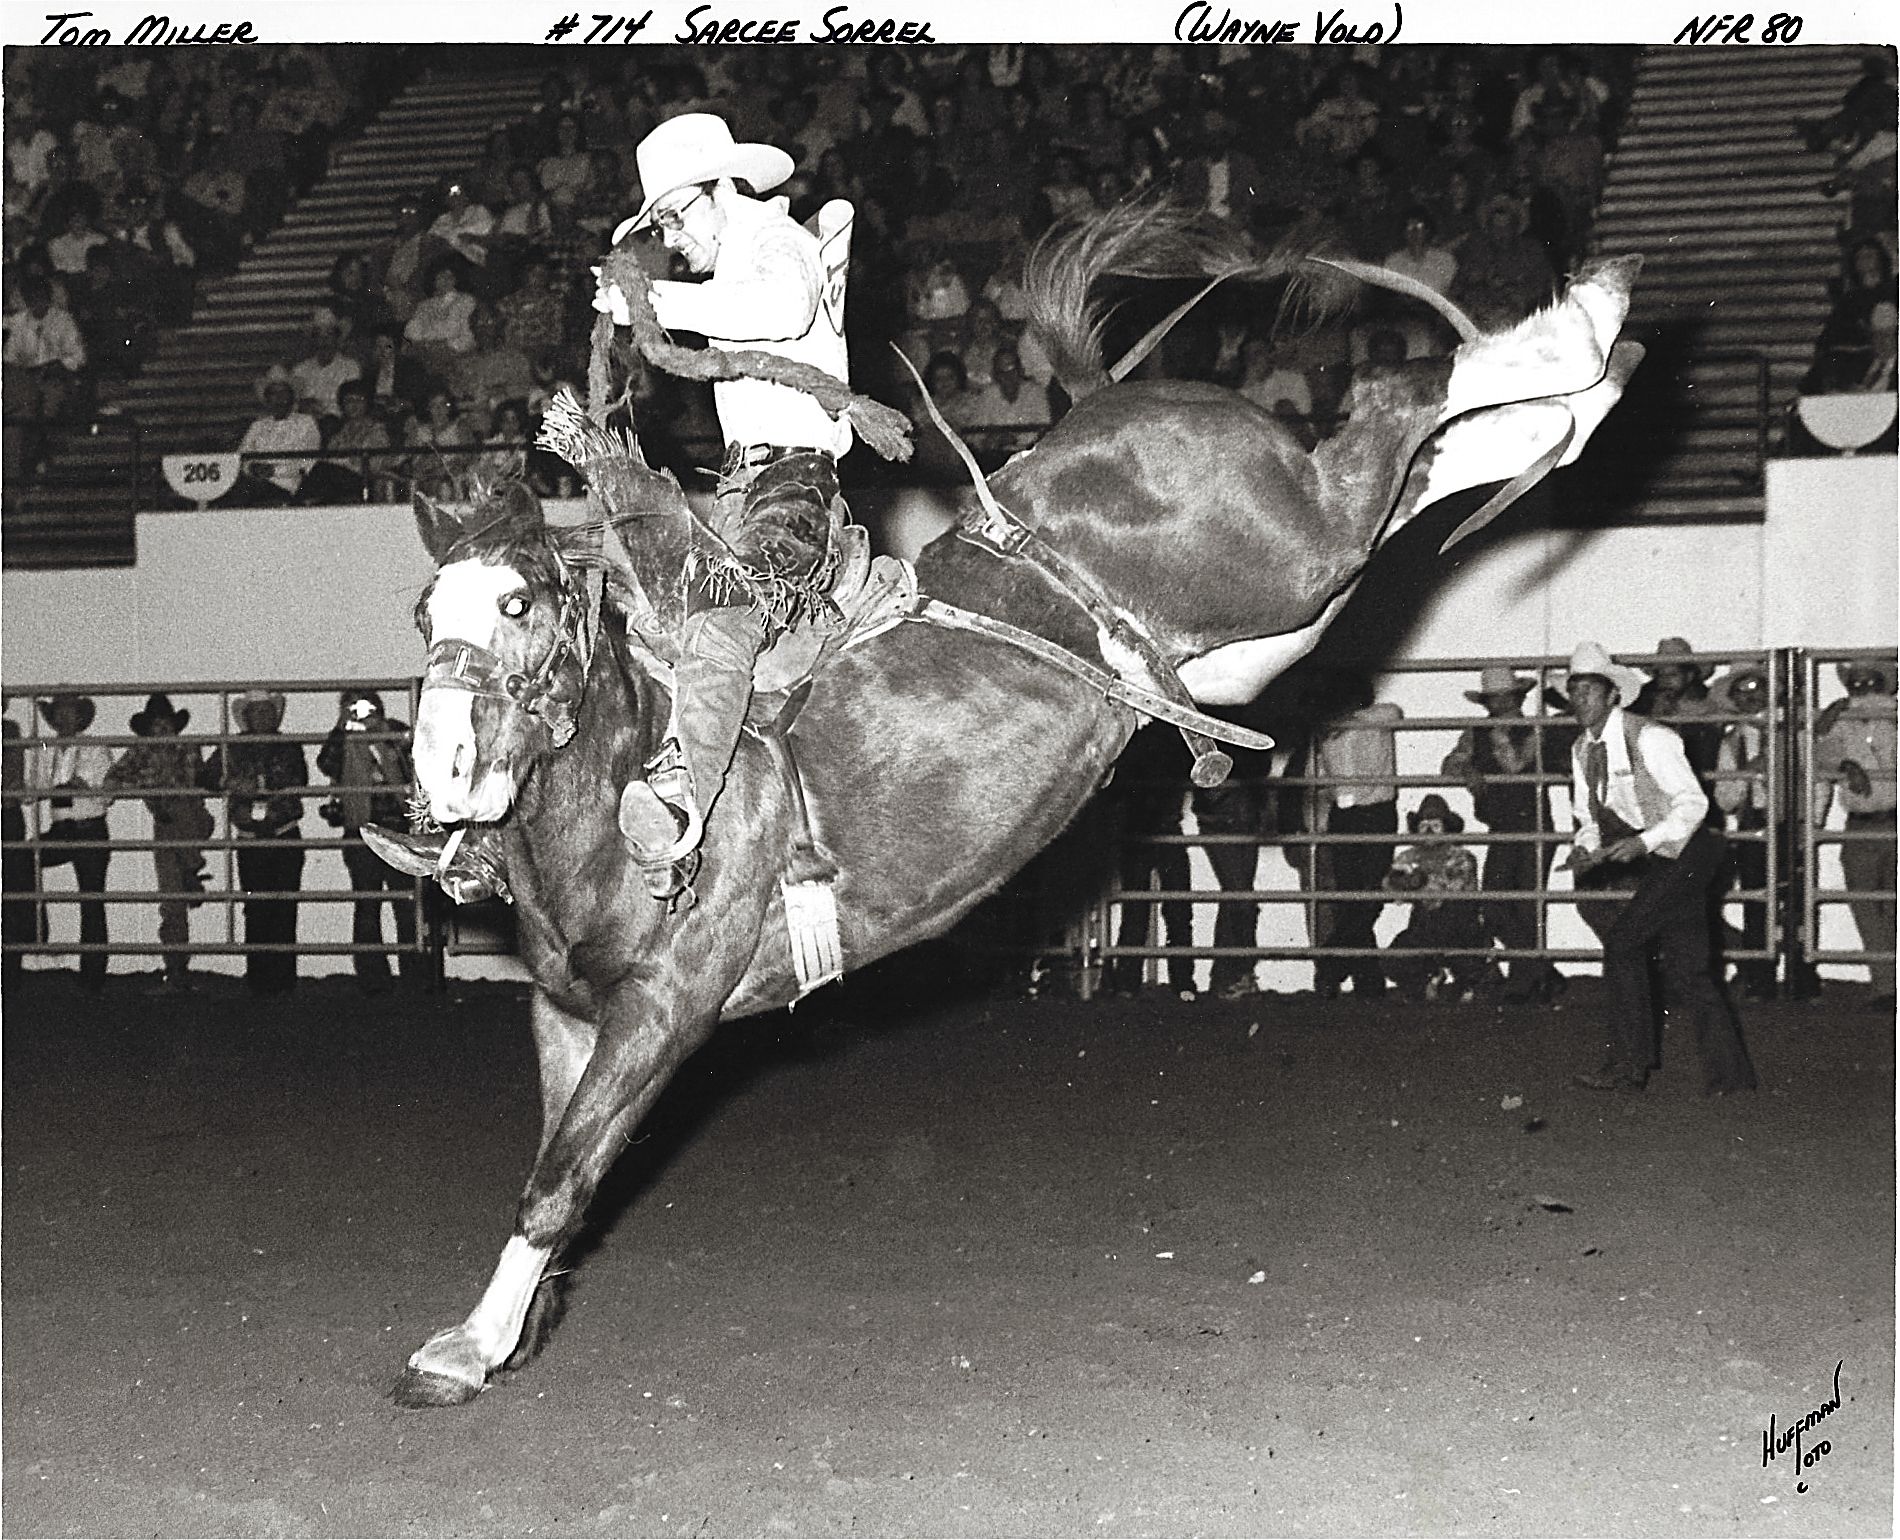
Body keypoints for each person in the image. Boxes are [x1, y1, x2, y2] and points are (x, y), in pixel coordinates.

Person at [592, 112, 861, 896]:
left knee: (722, 614)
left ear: (718, 192)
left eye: (674, 218)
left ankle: (679, 802)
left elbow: (777, 310)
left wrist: (655, 297)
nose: (671, 239)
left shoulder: (777, 249)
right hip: (749, 490)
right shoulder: (746, 259)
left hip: (793, 485)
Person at [1559, 642, 1756, 1095]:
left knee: (1624, 943)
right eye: (1574, 691)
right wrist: (1588, 848)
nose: (1580, 700)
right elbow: (1588, 816)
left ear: (1614, 695)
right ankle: (1733, 1078)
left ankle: (1629, 1065)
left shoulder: (1652, 737)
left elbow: (1694, 805)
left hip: (1690, 852)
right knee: (1690, 970)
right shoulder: (1581, 750)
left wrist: (1641, 842)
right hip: (1665, 857)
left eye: (1589, 690)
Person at [1441, 666, 1570, 1003]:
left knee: (1524, 907)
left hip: (1533, 825)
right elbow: (1449, 764)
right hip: (1502, 826)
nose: (1497, 702)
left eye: (1503, 696)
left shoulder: (1537, 730)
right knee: (1498, 905)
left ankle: (1525, 982)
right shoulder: (1478, 732)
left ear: (1516, 696)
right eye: (1492, 697)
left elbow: (1530, 763)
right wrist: (1466, 767)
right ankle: (1540, 974)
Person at [317, 689, 423, 995]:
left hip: (398, 831)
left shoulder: (394, 731)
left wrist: (383, 733)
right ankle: (373, 980)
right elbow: (325, 764)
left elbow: (415, 760)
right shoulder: (343, 737)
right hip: (360, 831)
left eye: (368, 707)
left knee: (406, 906)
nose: (362, 713)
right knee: (367, 905)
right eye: (354, 708)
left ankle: (413, 978)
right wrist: (341, 728)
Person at [103, 694, 211, 992]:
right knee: (171, 899)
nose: (161, 730)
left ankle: (192, 866)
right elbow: (115, 775)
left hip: (192, 819)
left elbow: (186, 786)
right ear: (149, 729)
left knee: (176, 808)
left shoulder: (188, 747)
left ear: (175, 727)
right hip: (166, 828)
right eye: (156, 726)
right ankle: (176, 971)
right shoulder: (141, 751)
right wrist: (118, 784)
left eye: (166, 724)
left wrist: (147, 786)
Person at [202, 689, 306, 995]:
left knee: (284, 908)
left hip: (284, 832)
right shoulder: (232, 747)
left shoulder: (288, 746)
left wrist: (255, 784)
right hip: (251, 838)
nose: (263, 716)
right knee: (256, 908)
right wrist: (228, 782)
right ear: (246, 717)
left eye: (267, 711)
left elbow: (298, 777)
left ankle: (283, 982)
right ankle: (260, 981)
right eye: (257, 712)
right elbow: (206, 776)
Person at [1813, 659, 1896, 1011]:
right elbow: (1820, 760)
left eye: (1870, 681)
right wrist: (1844, 763)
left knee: (1893, 906)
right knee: (1864, 904)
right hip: (1860, 823)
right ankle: (1886, 985)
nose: (1863, 689)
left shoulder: (1895, 720)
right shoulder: (1840, 723)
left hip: (1896, 820)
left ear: (1885, 684)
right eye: (1856, 684)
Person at [1310, 681, 1402, 999]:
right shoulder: (1327, 733)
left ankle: (1331, 964)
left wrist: (1345, 722)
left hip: (1375, 812)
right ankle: (1368, 980)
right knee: (1353, 897)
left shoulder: (1376, 718)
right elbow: (1323, 774)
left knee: (1369, 895)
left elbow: (1395, 713)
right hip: (1346, 815)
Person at [26, 694, 113, 989]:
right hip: (62, 828)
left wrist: (80, 784)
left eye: (69, 713)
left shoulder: (94, 747)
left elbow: (105, 793)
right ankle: (37, 930)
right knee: (22, 859)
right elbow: (32, 790)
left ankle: (92, 978)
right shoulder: (45, 747)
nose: (64, 719)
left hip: (90, 827)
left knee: (90, 899)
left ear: (79, 717)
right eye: (58, 713)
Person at [1104, 722, 1195, 1000]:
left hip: (1141, 830)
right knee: (1176, 910)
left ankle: (1128, 983)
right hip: (1160, 829)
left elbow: (1116, 789)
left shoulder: (1133, 739)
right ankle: (1182, 983)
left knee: (1138, 909)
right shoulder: (1174, 739)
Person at [1382, 793, 1498, 1002]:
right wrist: (1397, 881)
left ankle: (1472, 981)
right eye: (1423, 825)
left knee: (1471, 966)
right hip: (1425, 924)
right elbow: (1389, 887)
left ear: (1446, 828)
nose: (1428, 831)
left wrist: (1419, 881)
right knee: (1393, 959)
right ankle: (1430, 976)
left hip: (1460, 924)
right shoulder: (1409, 856)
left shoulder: (1461, 857)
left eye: (1435, 825)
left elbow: (1455, 888)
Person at [1710, 663, 1776, 1000]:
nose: (1751, 697)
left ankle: (1801, 976)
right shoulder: (1732, 742)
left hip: (1790, 822)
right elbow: (1725, 799)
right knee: (1756, 902)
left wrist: (1813, 820)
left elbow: (1816, 779)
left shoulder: (1792, 731)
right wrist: (1746, 774)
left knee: (1792, 902)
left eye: (1757, 688)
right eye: (1743, 691)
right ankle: (1760, 979)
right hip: (1753, 823)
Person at [236, 364, 322, 504]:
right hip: (255, 483)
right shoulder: (258, 425)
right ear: (267, 398)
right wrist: (252, 467)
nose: (278, 398)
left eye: (283, 393)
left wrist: (274, 471)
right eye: (273, 394)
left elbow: (307, 461)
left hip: (287, 486)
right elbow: (242, 456)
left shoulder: (306, 422)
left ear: (292, 396)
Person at [2, 719, 38, 993]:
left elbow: (13, 776)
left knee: (11, 889)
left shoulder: (9, 730)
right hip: (8, 812)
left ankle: (9, 971)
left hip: (6, 813)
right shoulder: (10, 730)